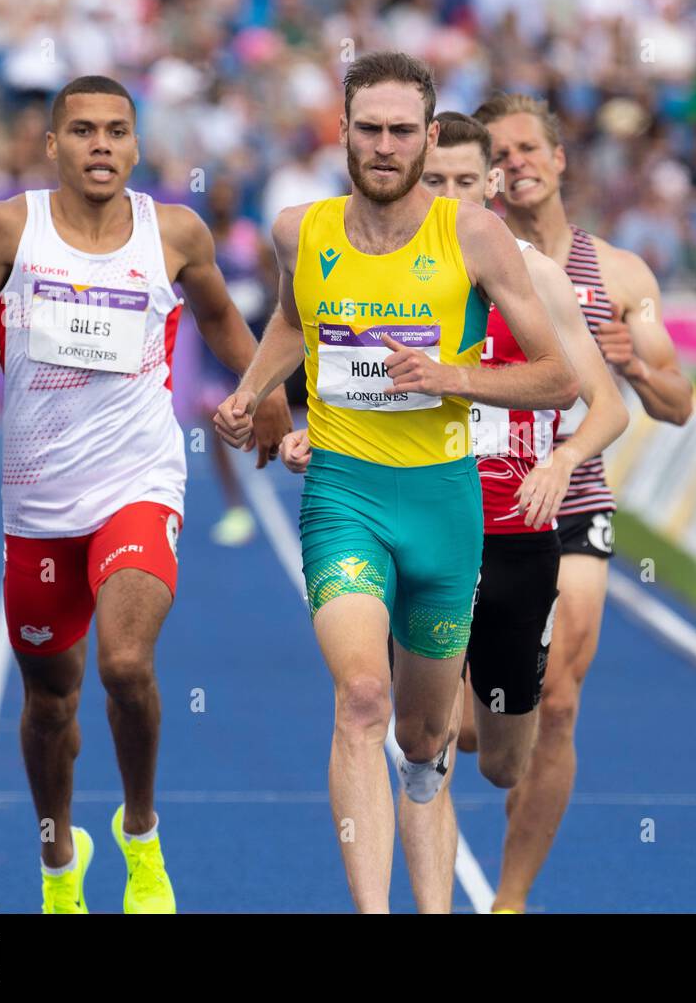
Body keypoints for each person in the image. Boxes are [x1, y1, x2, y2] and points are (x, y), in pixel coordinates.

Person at [0, 75, 291, 914]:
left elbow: (227, 322)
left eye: (118, 130)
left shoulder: (174, 233)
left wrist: (267, 400)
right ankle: (58, 863)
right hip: (39, 504)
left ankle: (142, 836)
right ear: (53, 145)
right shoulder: (10, 228)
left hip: (140, 482)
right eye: (82, 130)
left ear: (137, 144)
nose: (101, 146)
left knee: (124, 664)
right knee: (50, 699)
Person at [214, 53, 579, 913]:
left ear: (427, 135)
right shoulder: (300, 229)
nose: (384, 146)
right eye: (369, 128)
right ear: (341, 131)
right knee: (362, 696)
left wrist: (449, 376)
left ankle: (422, 791)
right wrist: (251, 391)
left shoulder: (475, 236)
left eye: (401, 131)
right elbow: (297, 320)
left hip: (445, 507)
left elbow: (558, 376)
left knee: (424, 738)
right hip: (345, 494)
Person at [276, 111, 630, 912]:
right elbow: (341, 374)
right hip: (408, 510)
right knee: (385, 712)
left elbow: (601, 402)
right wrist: (313, 440)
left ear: (491, 186)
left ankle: (454, 735)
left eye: (466, 182)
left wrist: (565, 460)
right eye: (436, 180)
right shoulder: (382, 264)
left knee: (499, 757)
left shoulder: (530, 276)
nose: (447, 194)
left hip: (511, 538)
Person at [473, 93, 693, 913]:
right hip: (474, 501)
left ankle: (510, 898)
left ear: (560, 160)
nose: (516, 162)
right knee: (469, 732)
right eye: (498, 152)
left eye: (530, 147)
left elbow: (679, 404)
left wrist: (635, 363)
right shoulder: (460, 263)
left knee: (560, 700)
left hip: (575, 501)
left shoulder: (621, 274)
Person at [195, 177, 278, 546]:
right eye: (216, 197)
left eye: (228, 196)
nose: (222, 203)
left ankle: (269, 482)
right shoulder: (203, 242)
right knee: (213, 421)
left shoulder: (251, 238)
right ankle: (234, 505)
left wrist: (259, 302)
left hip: (252, 344)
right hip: (213, 352)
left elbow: (275, 284)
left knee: (258, 414)